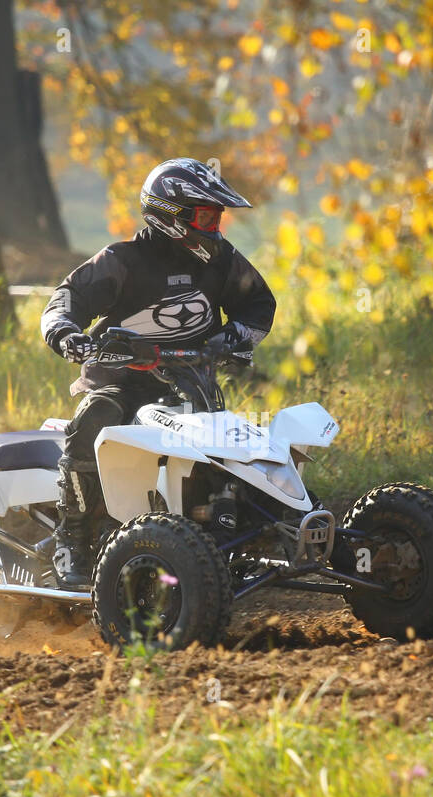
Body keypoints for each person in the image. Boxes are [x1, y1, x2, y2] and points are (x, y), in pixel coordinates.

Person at [40, 157, 276, 589]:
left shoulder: (221, 260)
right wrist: (67, 334)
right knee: (95, 417)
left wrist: (233, 337)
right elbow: (67, 298)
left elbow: (259, 304)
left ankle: (258, 527)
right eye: (206, 218)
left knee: (236, 444)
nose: (214, 228)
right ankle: (71, 540)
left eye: (216, 218)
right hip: (120, 382)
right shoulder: (122, 261)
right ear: (172, 215)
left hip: (190, 383)